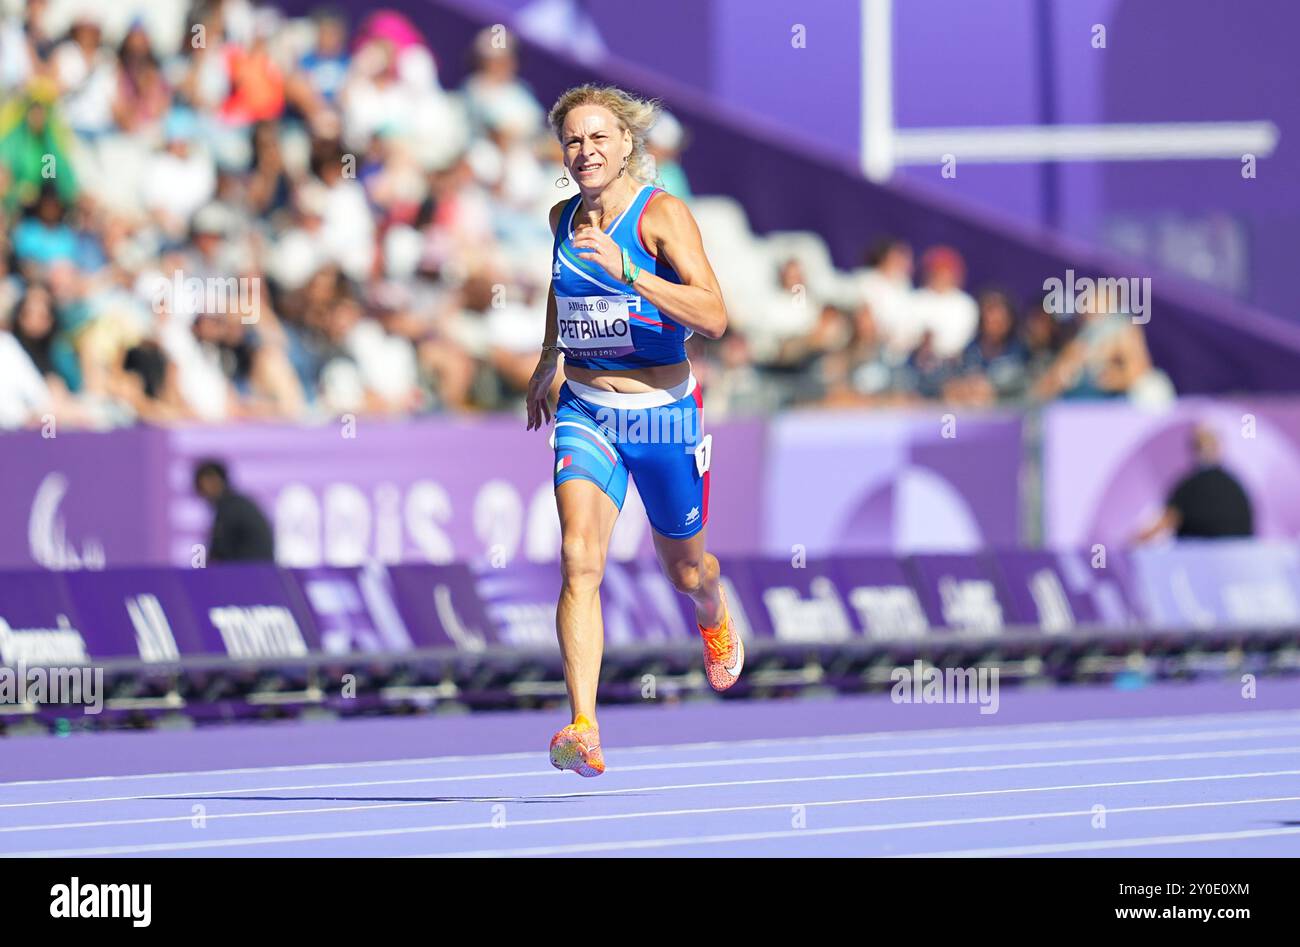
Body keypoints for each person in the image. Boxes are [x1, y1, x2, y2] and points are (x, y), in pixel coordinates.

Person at [525, 84, 740, 777]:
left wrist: (632, 275)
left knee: (686, 570)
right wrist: (549, 359)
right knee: (579, 559)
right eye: (573, 141)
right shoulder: (561, 217)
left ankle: (713, 611)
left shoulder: (661, 216)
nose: (584, 151)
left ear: (626, 147)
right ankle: (584, 724)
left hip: (662, 415)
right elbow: (564, 290)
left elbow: (713, 315)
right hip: (586, 410)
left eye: (597, 139)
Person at [1132, 425, 1254, 543]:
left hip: (1199, 558)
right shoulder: (1236, 486)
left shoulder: (1191, 486)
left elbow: (1167, 521)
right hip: (1236, 559)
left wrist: (1133, 542)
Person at [194, 459, 276, 561]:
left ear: (216, 480)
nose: (203, 492)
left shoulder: (229, 510)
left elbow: (219, 554)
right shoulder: (237, 504)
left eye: (203, 485)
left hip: (246, 572)